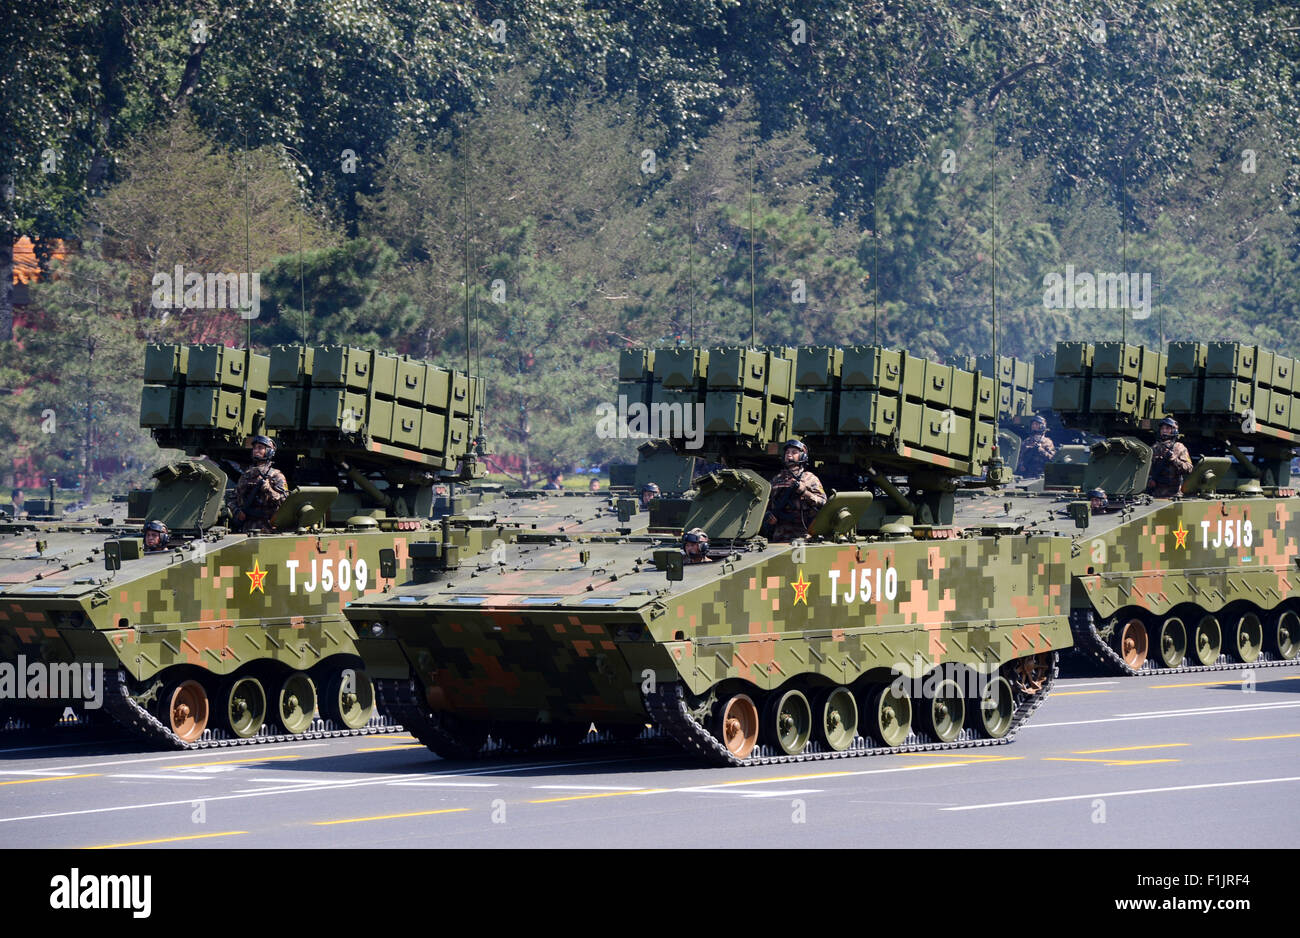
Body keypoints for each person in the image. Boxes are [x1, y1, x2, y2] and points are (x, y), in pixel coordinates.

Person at [765, 439, 827, 541]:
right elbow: (766, 505)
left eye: (794, 452)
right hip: (779, 537)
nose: (789, 455)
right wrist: (768, 515)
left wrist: (804, 492)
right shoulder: (776, 480)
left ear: (802, 456)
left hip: (803, 537)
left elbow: (823, 502)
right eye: (787, 452)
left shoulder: (810, 478)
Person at [231, 435, 289, 532]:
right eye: (254, 448)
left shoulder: (276, 476)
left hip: (268, 528)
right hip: (247, 527)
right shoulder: (246, 475)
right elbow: (233, 498)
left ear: (269, 451)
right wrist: (237, 511)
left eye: (260, 448)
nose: (256, 450)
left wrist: (269, 490)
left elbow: (285, 502)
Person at [1148, 416, 1193, 497]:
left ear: (1174, 430)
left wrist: (1174, 460)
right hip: (1156, 493)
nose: (1164, 431)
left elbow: (1189, 468)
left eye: (1167, 428)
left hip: (1174, 494)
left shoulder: (1179, 447)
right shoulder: (1154, 448)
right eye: (1162, 428)